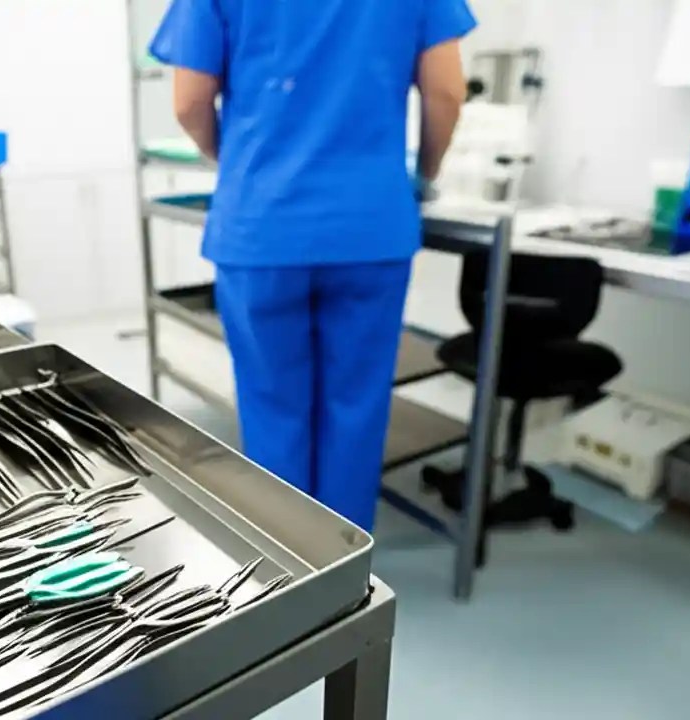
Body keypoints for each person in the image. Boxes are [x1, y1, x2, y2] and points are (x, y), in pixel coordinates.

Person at [150, 0, 475, 531]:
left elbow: (189, 102)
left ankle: (295, 566)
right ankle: (346, 568)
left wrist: (236, 161)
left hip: (262, 226)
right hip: (369, 224)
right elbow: (447, 92)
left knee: (272, 406)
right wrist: (423, 172)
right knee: (357, 406)